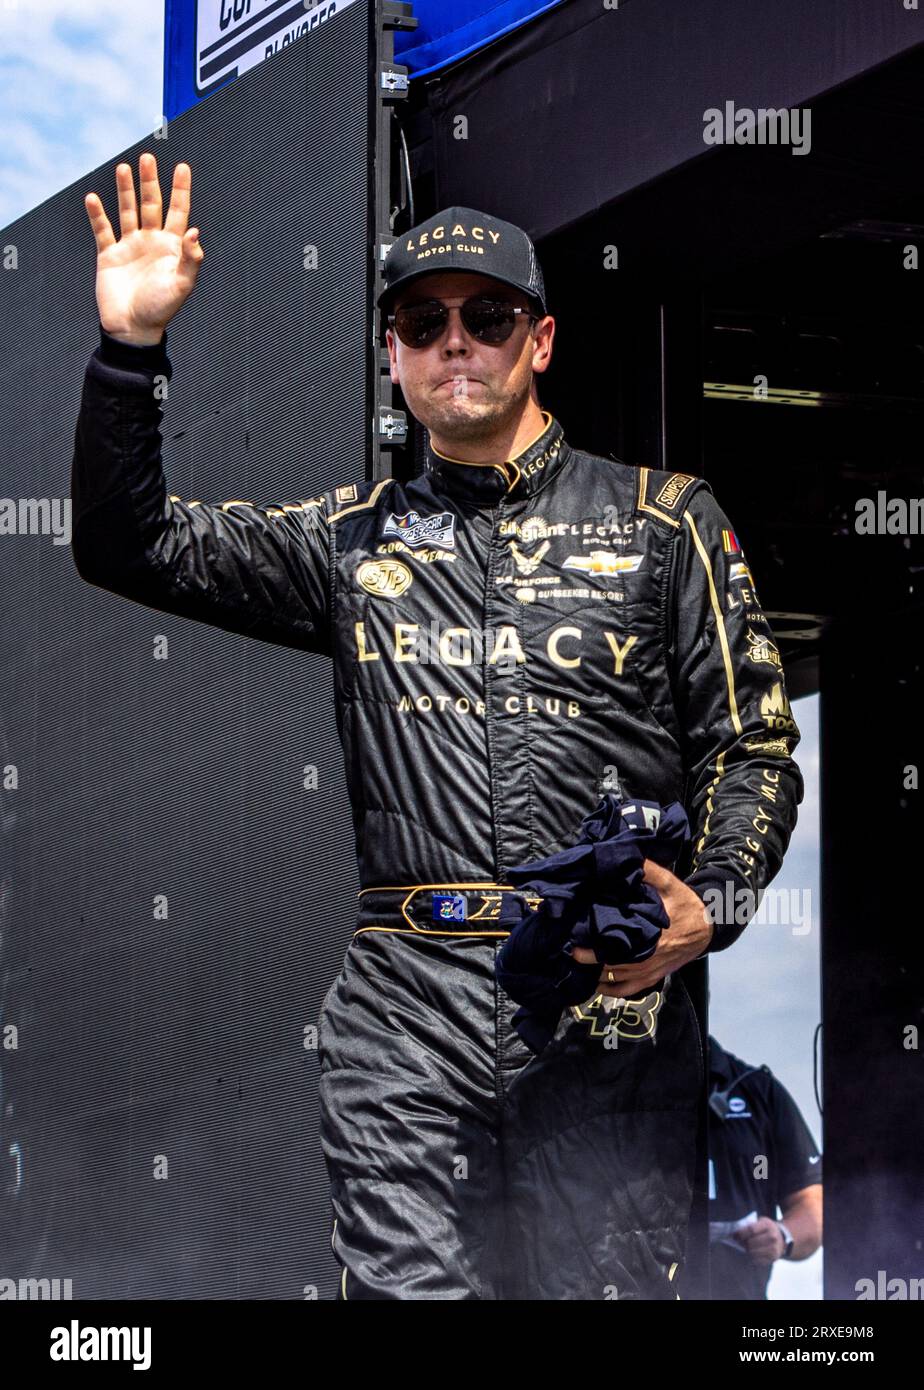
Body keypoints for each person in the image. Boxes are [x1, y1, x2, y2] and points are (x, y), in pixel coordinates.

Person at [71, 154, 805, 1300]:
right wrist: (129, 354)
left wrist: (711, 903)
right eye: (423, 318)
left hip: (601, 1006)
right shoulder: (346, 539)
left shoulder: (666, 520)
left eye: (487, 315)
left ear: (541, 339)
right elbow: (130, 543)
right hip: (404, 1012)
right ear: (393, 352)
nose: (455, 340)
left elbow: (752, 745)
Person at [702, 1035, 823, 1299]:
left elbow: (812, 1205)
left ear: (705, 995)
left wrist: (781, 1235)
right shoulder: (618, 1085)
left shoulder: (758, 1090)